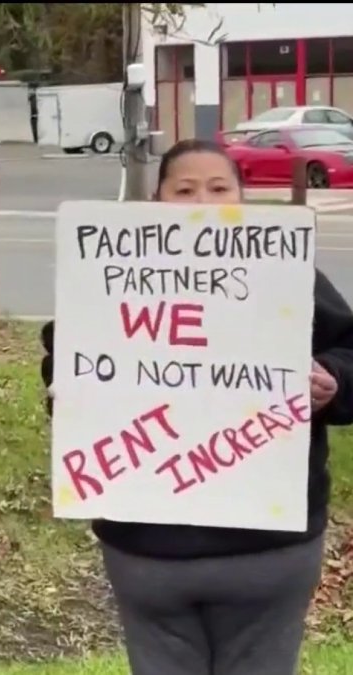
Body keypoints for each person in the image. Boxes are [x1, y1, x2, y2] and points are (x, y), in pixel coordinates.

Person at [39, 137, 353, 675]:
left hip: (269, 544)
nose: (201, 200)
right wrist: (69, 389)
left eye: (217, 187)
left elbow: (349, 350)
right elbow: (71, 358)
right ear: (157, 198)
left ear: (240, 195)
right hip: (147, 545)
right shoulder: (113, 271)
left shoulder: (286, 271)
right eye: (184, 189)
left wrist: (334, 381)